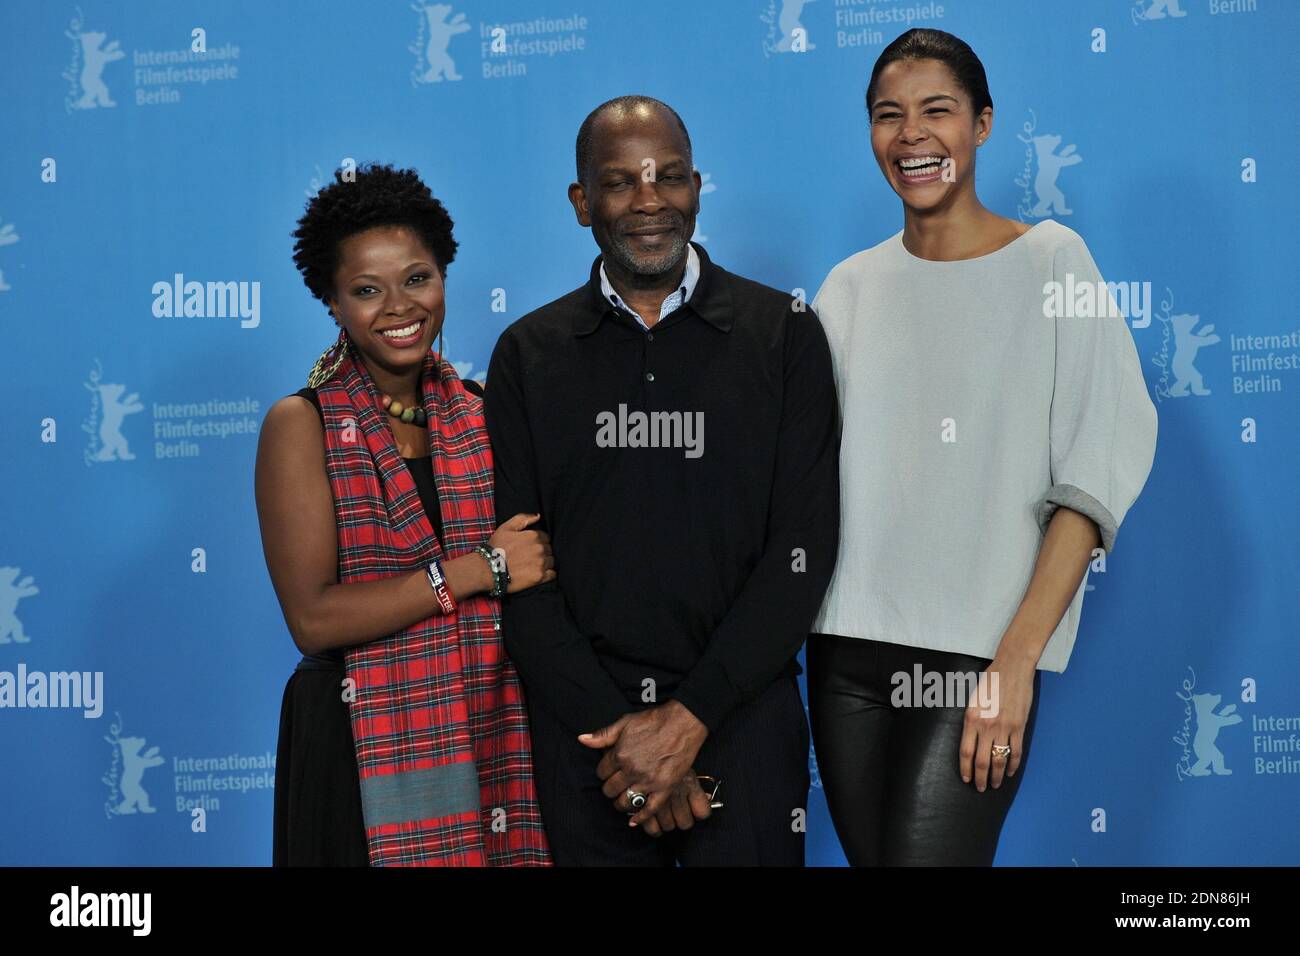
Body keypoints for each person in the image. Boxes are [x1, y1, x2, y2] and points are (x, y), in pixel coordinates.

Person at [807, 29, 1158, 865]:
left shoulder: (1055, 262)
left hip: (974, 658)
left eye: (938, 110)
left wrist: (1016, 661)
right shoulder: (848, 288)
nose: (912, 135)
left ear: (984, 124)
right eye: (888, 115)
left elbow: (1093, 472)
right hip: (844, 654)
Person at [484, 96, 841, 866]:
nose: (650, 201)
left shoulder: (785, 333)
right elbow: (522, 576)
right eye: (620, 182)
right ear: (582, 202)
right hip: (589, 741)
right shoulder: (528, 354)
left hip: (744, 722)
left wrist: (688, 721)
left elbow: (803, 551)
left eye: (670, 177)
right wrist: (629, 744)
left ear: (698, 188)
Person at [256, 162, 553, 866]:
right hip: (355, 743)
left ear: (443, 278)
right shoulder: (301, 423)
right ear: (332, 302)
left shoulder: (485, 409)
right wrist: (478, 571)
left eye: (417, 278)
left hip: (490, 726)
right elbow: (313, 618)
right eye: (367, 290)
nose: (398, 306)